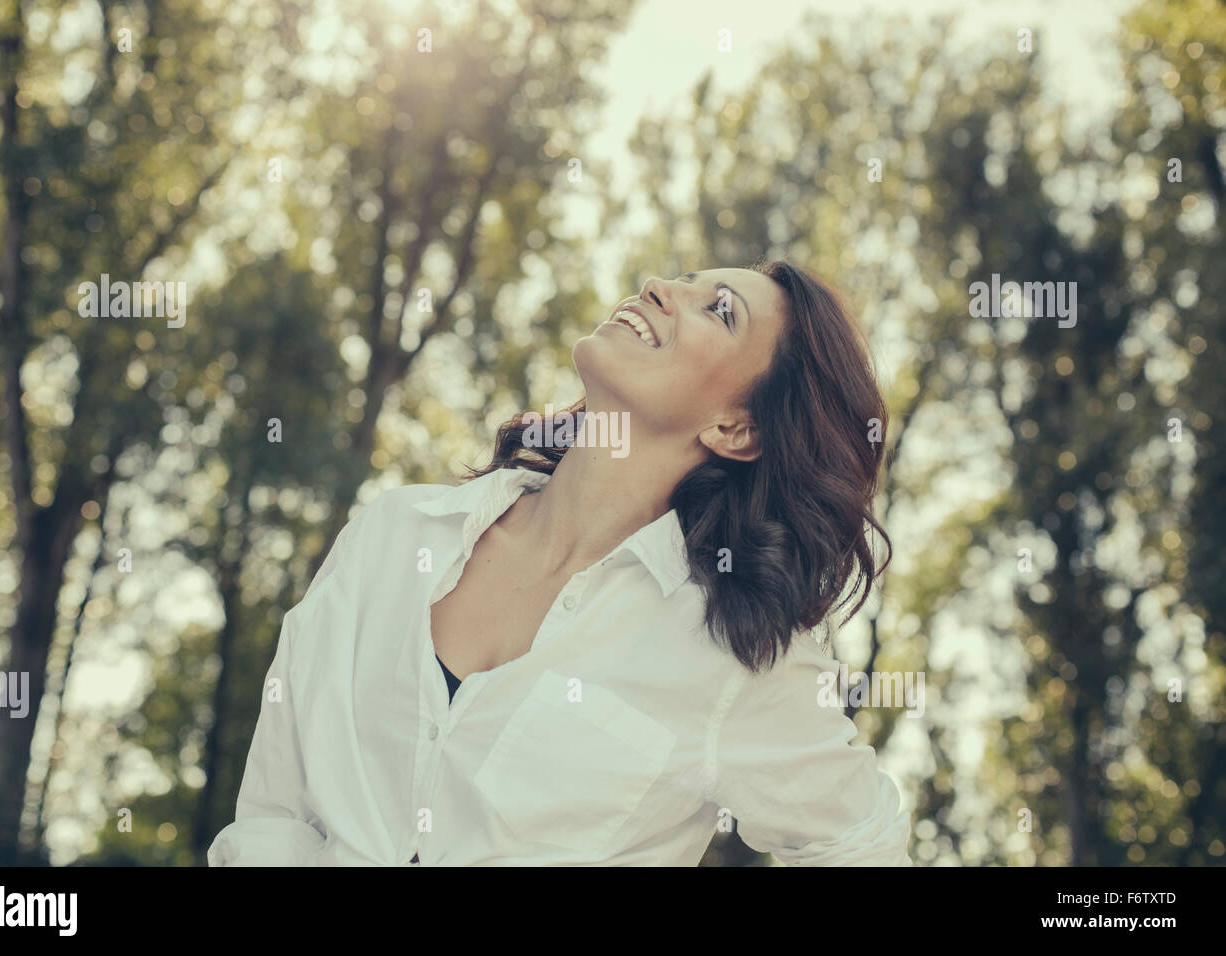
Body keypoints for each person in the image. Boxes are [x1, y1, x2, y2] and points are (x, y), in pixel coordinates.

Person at [207, 258, 912, 866]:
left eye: (719, 310)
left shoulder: (733, 658)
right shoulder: (395, 536)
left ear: (736, 427)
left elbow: (863, 847)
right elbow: (274, 816)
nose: (661, 286)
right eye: (684, 279)